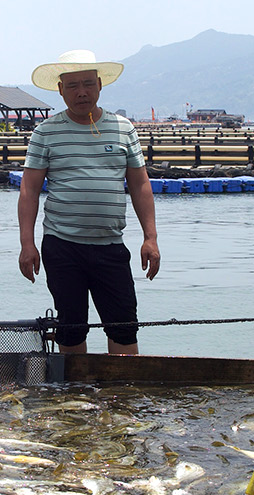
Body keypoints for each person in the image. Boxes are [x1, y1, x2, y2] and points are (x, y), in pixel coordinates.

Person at [17, 50, 161, 354]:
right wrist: (26, 244)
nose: (81, 92)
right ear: (60, 90)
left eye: (87, 84)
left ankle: (122, 385)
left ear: (99, 85)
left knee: (124, 327)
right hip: (62, 245)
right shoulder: (46, 132)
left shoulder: (123, 128)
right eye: (72, 86)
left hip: (110, 245)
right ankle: (73, 386)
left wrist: (150, 238)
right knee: (71, 329)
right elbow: (29, 189)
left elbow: (140, 184)